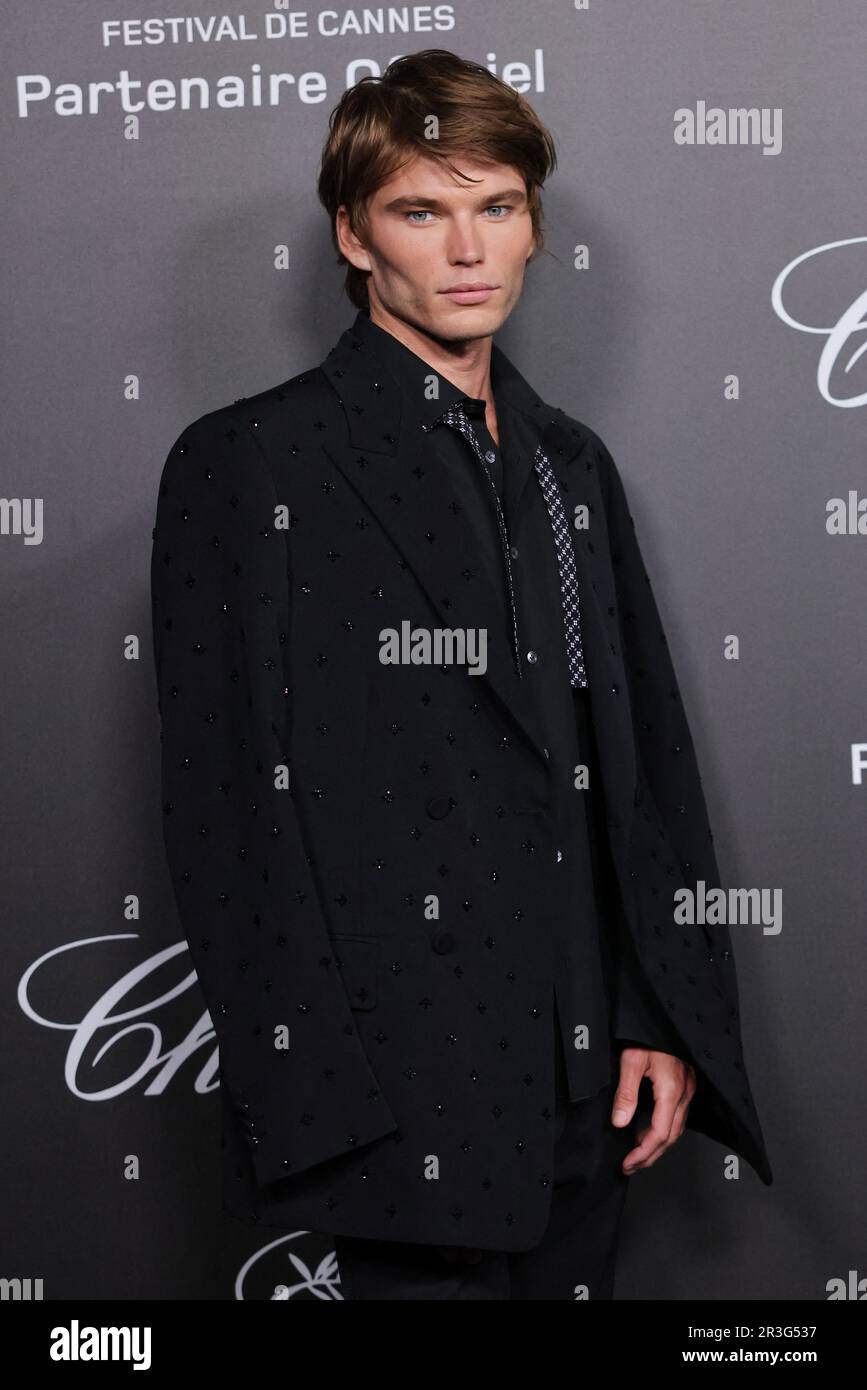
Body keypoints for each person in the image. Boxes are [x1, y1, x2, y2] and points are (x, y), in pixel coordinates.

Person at [150, 48, 772, 1301]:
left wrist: (655, 1009)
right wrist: (324, 1102)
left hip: (586, 1088)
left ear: (534, 224)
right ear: (355, 235)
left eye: (497, 206)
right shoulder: (255, 461)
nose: (469, 249)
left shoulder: (569, 462)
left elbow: (634, 757)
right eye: (422, 211)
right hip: (394, 1101)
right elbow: (228, 810)